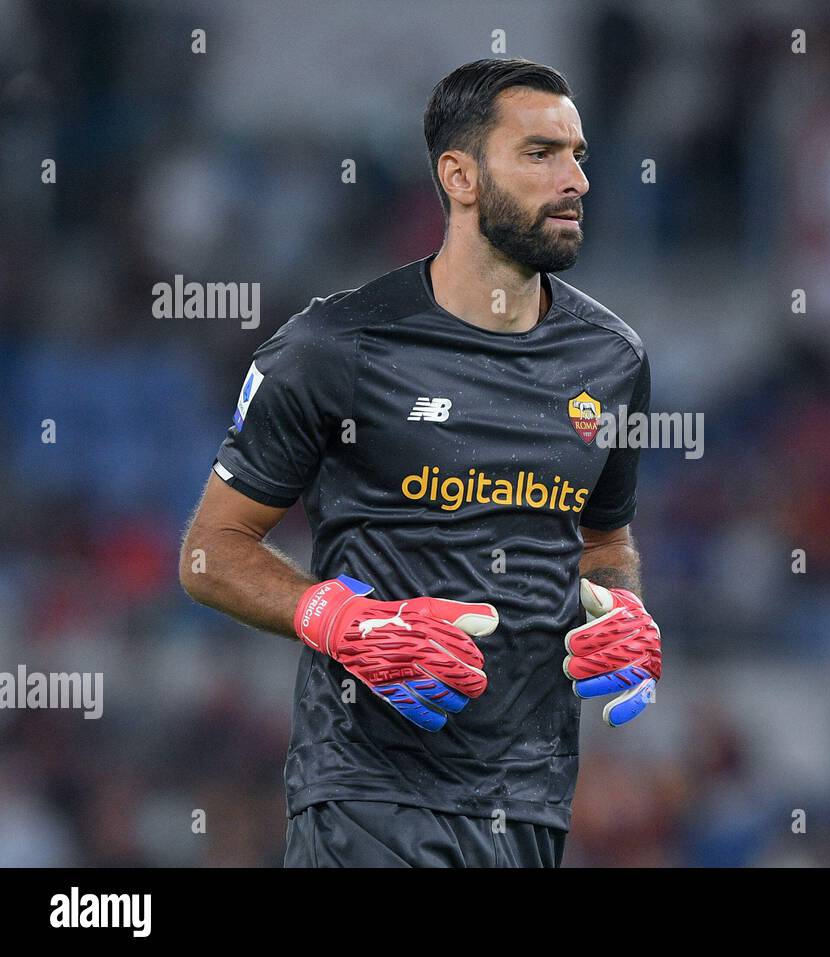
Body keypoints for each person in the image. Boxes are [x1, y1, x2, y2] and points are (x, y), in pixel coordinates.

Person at [179, 58, 662, 868]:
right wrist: (341, 620)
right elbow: (208, 552)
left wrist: (622, 614)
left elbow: (604, 544)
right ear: (460, 175)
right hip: (369, 793)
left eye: (578, 154)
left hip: (530, 801)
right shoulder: (334, 347)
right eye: (540, 154)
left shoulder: (613, 361)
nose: (575, 178)